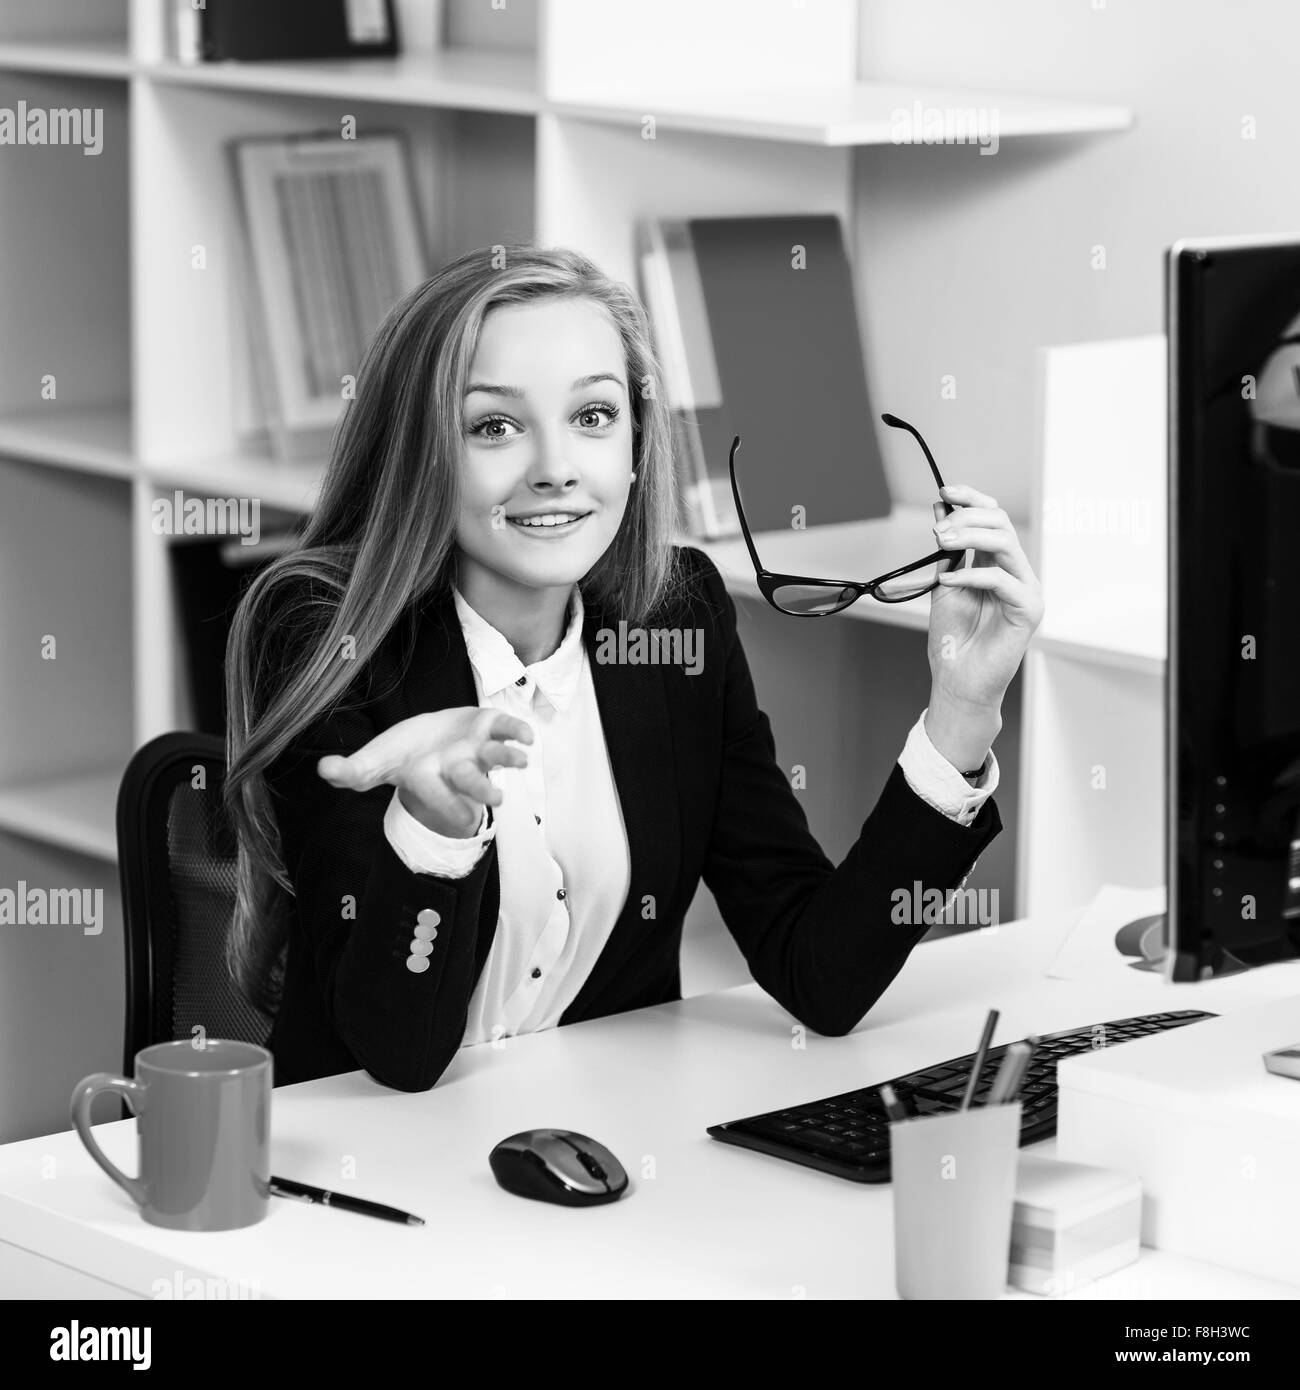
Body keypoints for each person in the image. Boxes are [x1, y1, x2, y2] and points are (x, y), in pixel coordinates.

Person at [224, 243, 1043, 1091]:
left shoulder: (675, 619)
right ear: (422, 450)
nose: (554, 470)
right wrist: (433, 831)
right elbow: (396, 1057)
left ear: (638, 447)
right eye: (494, 426)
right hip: (360, 1171)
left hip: (602, 1149)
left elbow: (818, 974)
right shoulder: (328, 632)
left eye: (593, 417)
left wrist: (962, 708)